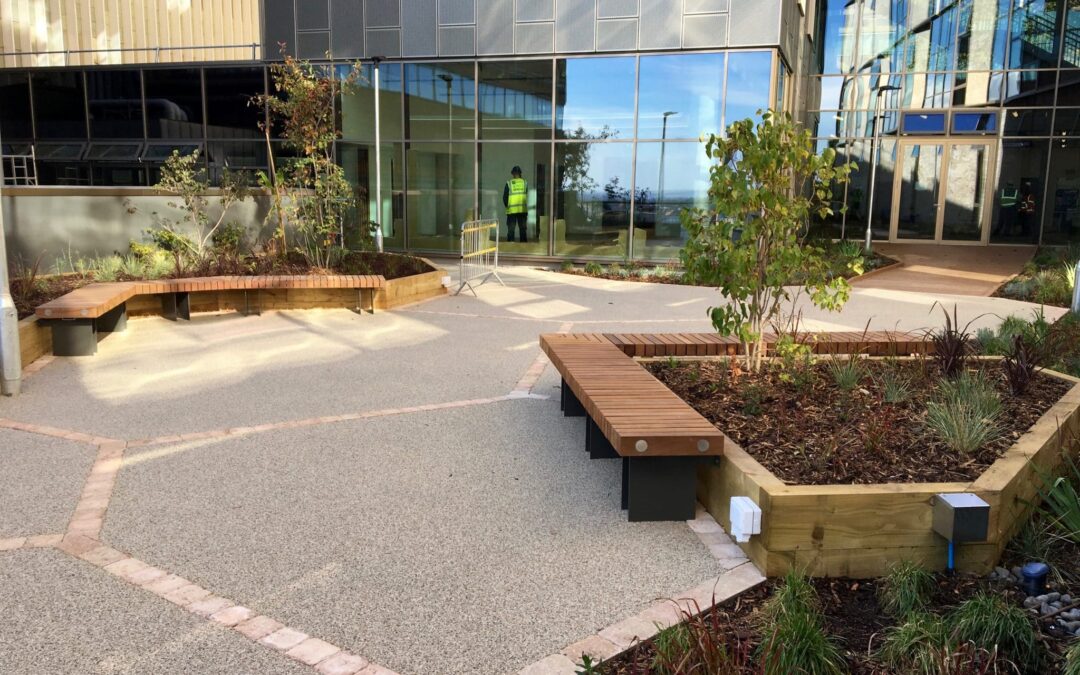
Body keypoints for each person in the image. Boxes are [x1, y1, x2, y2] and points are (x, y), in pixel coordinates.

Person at [503, 166, 528, 242]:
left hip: (512, 210)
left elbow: (505, 197)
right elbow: (526, 194)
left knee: (511, 230)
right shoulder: (524, 183)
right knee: (523, 230)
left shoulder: (509, 183)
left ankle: (510, 245)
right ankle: (524, 246)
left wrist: (507, 205)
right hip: (522, 210)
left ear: (513, 174)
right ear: (520, 173)